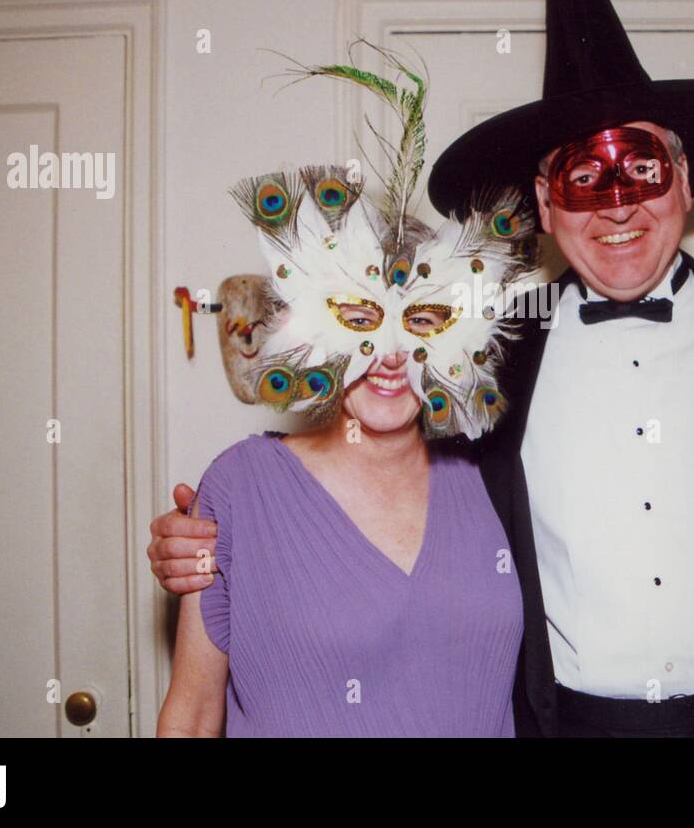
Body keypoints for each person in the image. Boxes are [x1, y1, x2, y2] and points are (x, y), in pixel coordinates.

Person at [153, 0, 694, 738]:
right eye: (583, 178)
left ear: (687, 181)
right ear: (545, 204)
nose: (616, 207)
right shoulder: (489, 351)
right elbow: (358, 495)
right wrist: (201, 548)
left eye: (643, 168)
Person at [156, 54, 536, 736]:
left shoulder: (494, 476)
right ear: (317, 336)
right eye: (362, 319)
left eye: (420, 320)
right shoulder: (240, 488)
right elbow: (192, 709)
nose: (390, 354)